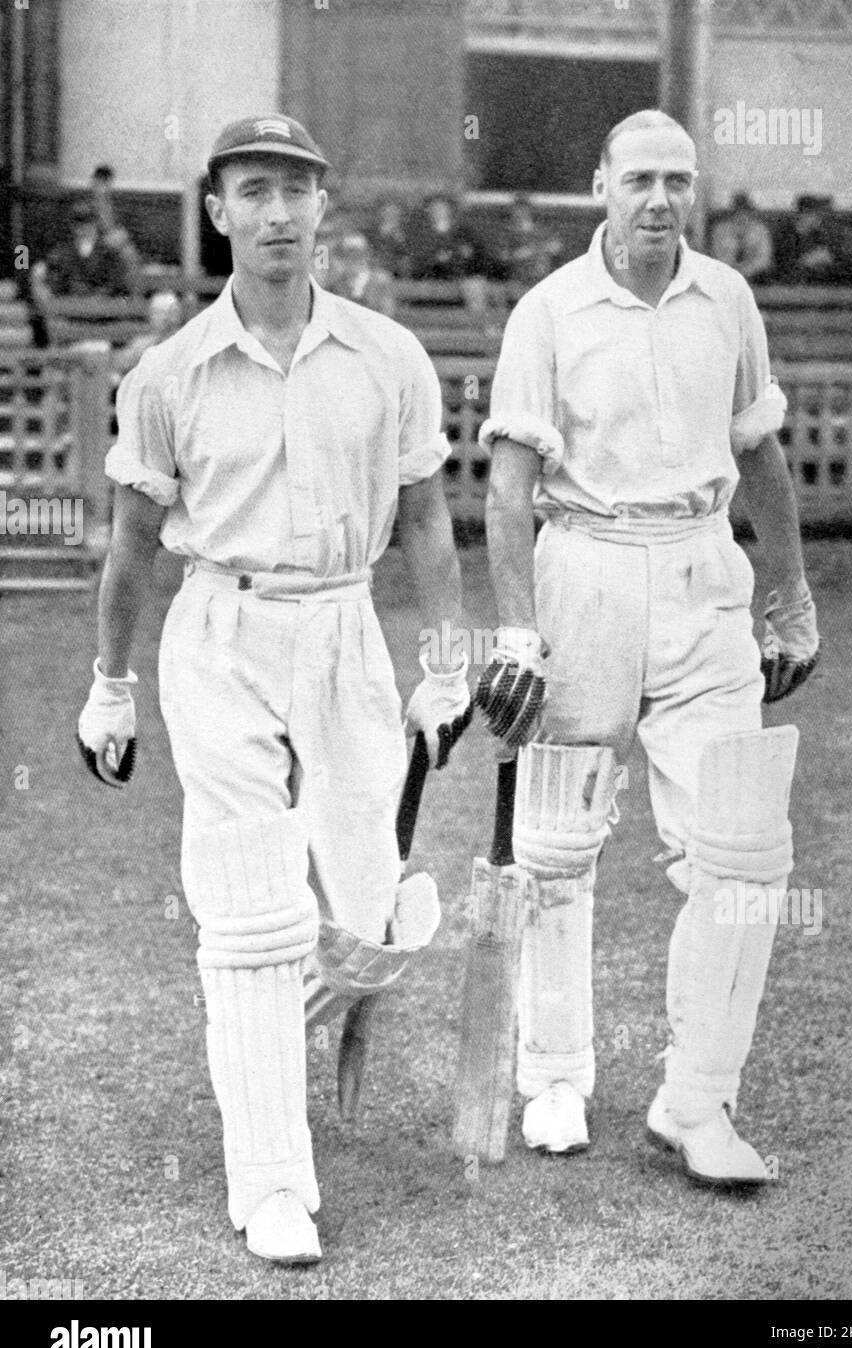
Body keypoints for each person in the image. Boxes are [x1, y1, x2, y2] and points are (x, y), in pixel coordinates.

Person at [77, 114, 471, 1265]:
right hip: (223, 628)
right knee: (249, 905)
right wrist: (112, 686)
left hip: (345, 624)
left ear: (323, 204)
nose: (279, 214)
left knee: (360, 909)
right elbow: (132, 547)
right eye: (254, 191)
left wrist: (445, 661)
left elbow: (428, 518)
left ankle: (292, 998)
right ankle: (271, 1176)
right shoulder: (168, 374)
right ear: (217, 209)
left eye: (298, 190)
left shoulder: (387, 356)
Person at [476, 110, 820, 1188]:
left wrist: (791, 594)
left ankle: (696, 1099)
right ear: (600, 186)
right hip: (580, 572)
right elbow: (506, 489)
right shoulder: (548, 310)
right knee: (554, 849)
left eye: (677, 179)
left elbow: (758, 457)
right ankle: (553, 1076)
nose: (659, 199)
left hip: (701, 578)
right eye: (639, 179)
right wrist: (516, 632)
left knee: (744, 853)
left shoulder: (728, 299)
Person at [33, 200, 135, 304]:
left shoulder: (109, 252)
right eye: (79, 223)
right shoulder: (62, 252)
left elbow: (117, 286)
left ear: (95, 224)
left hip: (104, 309)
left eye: (88, 223)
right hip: (70, 308)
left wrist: (100, 296)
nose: (83, 228)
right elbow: (56, 282)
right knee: (38, 271)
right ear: (72, 226)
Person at [90, 164, 144, 295]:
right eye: (99, 182)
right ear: (93, 183)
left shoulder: (118, 204)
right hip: (96, 243)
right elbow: (85, 229)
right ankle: (133, 298)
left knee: (130, 254)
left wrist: (123, 234)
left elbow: (130, 227)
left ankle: (136, 299)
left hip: (119, 243)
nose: (103, 187)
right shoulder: (87, 204)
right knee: (128, 255)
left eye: (106, 182)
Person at [782, 194, 852, 286]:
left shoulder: (819, 234)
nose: (819, 219)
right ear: (802, 214)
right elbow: (785, 267)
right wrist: (807, 261)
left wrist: (826, 259)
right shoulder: (787, 235)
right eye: (815, 214)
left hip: (821, 284)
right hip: (794, 286)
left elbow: (838, 261)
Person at [111, 289, 183, 377]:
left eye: (171, 312)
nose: (165, 318)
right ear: (150, 315)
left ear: (179, 314)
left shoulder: (186, 343)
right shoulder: (141, 345)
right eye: (159, 312)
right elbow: (119, 368)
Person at [325, 231, 397, 317]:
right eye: (348, 255)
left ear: (367, 255)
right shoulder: (336, 285)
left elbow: (387, 315)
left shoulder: (381, 281)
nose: (354, 259)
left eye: (359, 254)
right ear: (342, 258)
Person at [497, 196, 563, 289]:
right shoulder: (507, 232)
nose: (519, 213)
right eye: (516, 210)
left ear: (529, 211)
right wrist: (517, 255)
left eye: (523, 210)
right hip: (518, 277)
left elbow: (556, 247)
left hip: (543, 275)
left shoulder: (543, 230)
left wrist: (534, 250)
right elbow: (502, 257)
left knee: (543, 260)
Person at [710, 192, 773, 284]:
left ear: (750, 213)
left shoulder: (761, 230)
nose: (741, 215)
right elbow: (716, 256)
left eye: (745, 212)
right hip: (726, 275)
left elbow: (764, 259)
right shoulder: (720, 230)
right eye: (738, 211)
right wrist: (732, 270)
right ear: (732, 212)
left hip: (754, 276)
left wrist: (746, 271)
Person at [370, 198, 412, 279]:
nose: (390, 215)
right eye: (387, 211)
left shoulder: (404, 234)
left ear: (400, 214)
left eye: (394, 211)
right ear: (381, 213)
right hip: (372, 267)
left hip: (391, 272)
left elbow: (405, 256)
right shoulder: (372, 231)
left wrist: (400, 240)